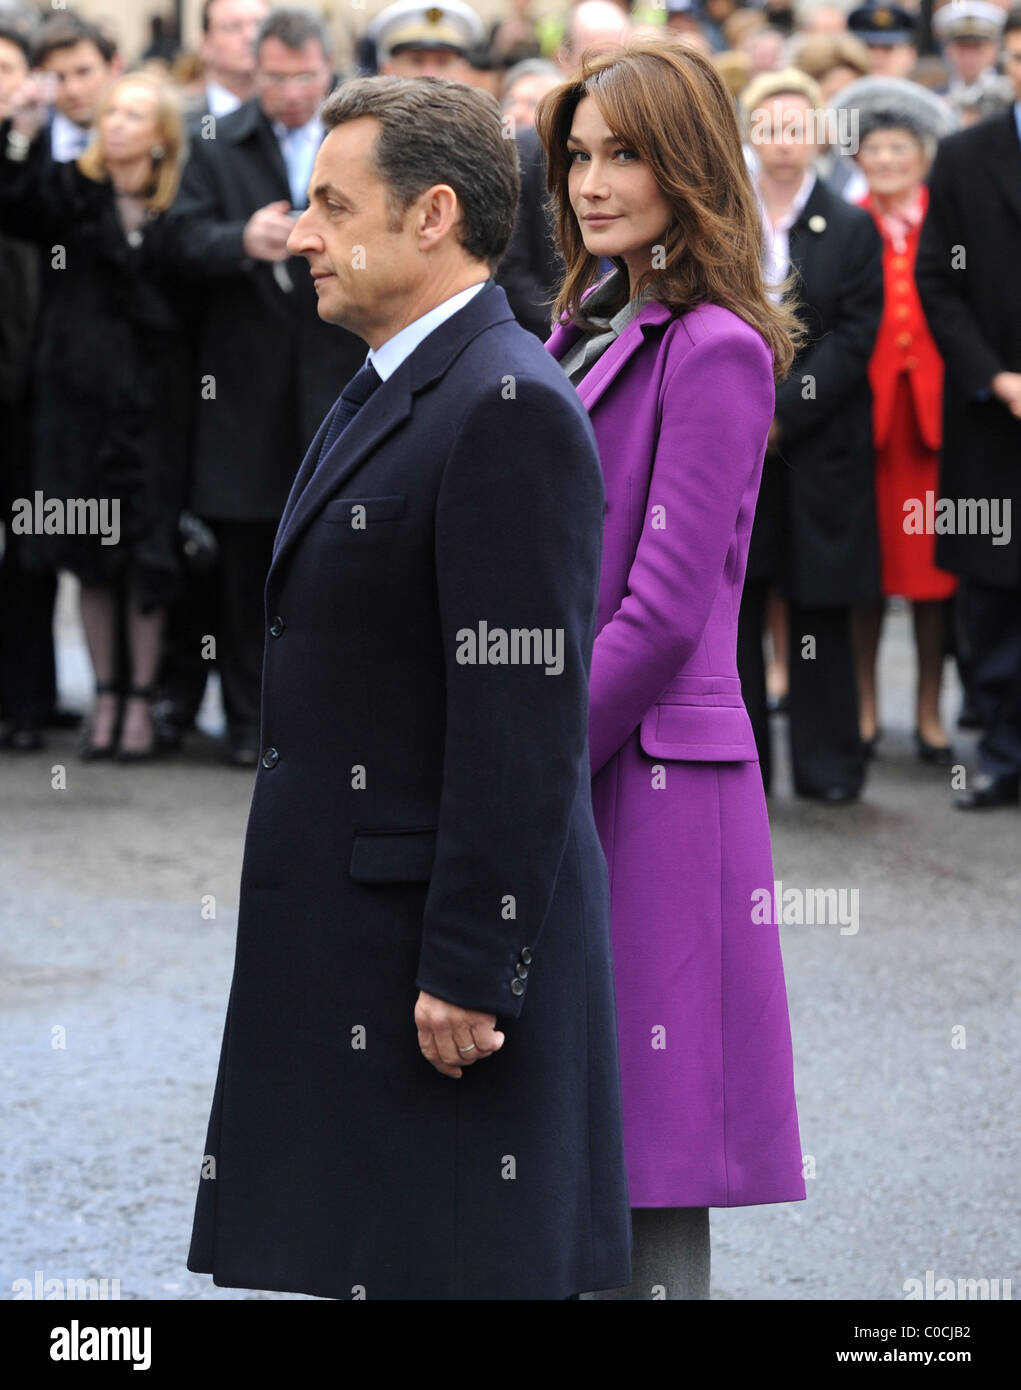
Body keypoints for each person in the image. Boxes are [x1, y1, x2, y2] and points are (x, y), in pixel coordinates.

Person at [185, 73, 632, 1301]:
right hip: (362, 937)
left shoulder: (502, 405)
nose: (306, 232)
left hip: (433, 974)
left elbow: (521, 719)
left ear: (433, 214)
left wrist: (473, 964)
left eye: (333, 203)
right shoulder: (400, 377)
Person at [536, 34, 807, 1300]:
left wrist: (525, 759)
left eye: (627, 153)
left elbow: (659, 607)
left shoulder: (715, 347)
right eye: (580, 153)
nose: (593, 181)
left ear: (687, 165)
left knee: (652, 1142)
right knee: (577, 1118)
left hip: (651, 769)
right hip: (592, 746)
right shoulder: (590, 319)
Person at [161, 7, 363, 765]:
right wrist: (238, 240)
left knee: (334, 551)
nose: (288, 92)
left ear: (326, 66)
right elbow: (174, 238)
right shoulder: (217, 140)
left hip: (339, 371)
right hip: (243, 384)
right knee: (247, 557)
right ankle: (248, 721)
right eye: (273, 77)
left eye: (303, 76)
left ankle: (319, 716)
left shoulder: (359, 136)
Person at [0, 72, 191, 761]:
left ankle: (140, 698)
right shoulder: (69, 192)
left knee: (146, 549)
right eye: (111, 113)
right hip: (74, 404)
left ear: (162, 133)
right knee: (88, 552)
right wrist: (19, 130)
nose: (115, 125)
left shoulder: (179, 206)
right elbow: (11, 200)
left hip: (156, 404)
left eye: (134, 114)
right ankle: (104, 694)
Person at [738, 68, 884, 803]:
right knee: (737, 604)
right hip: (732, 443)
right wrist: (742, 411)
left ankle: (828, 771)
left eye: (796, 127)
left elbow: (857, 337)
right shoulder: (723, 220)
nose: (783, 142)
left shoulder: (850, 225)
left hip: (817, 444)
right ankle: (741, 773)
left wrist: (782, 413)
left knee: (818, 602)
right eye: (769, 127)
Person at [829, 77, 959, 764]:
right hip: (866, 423)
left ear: (921, 154)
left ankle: (932, 710)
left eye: (897, 148)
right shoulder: (845, 223)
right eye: (872, 149)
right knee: (866, 573)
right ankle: (866, 705)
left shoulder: (948, 217)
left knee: (936, 576)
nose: (884, 161)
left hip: (935, 424)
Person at [915, 6, 1021, 809]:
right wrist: (997, 377)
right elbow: (936, 284)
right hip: (993, 415)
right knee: (992, 588)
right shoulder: (961, 156)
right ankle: (998, 749)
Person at [33, 12, 121, 163]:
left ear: (113, 68)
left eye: (84, 72)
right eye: (59, 77)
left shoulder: (141, 144)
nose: (73, 90)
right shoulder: (31, 146)